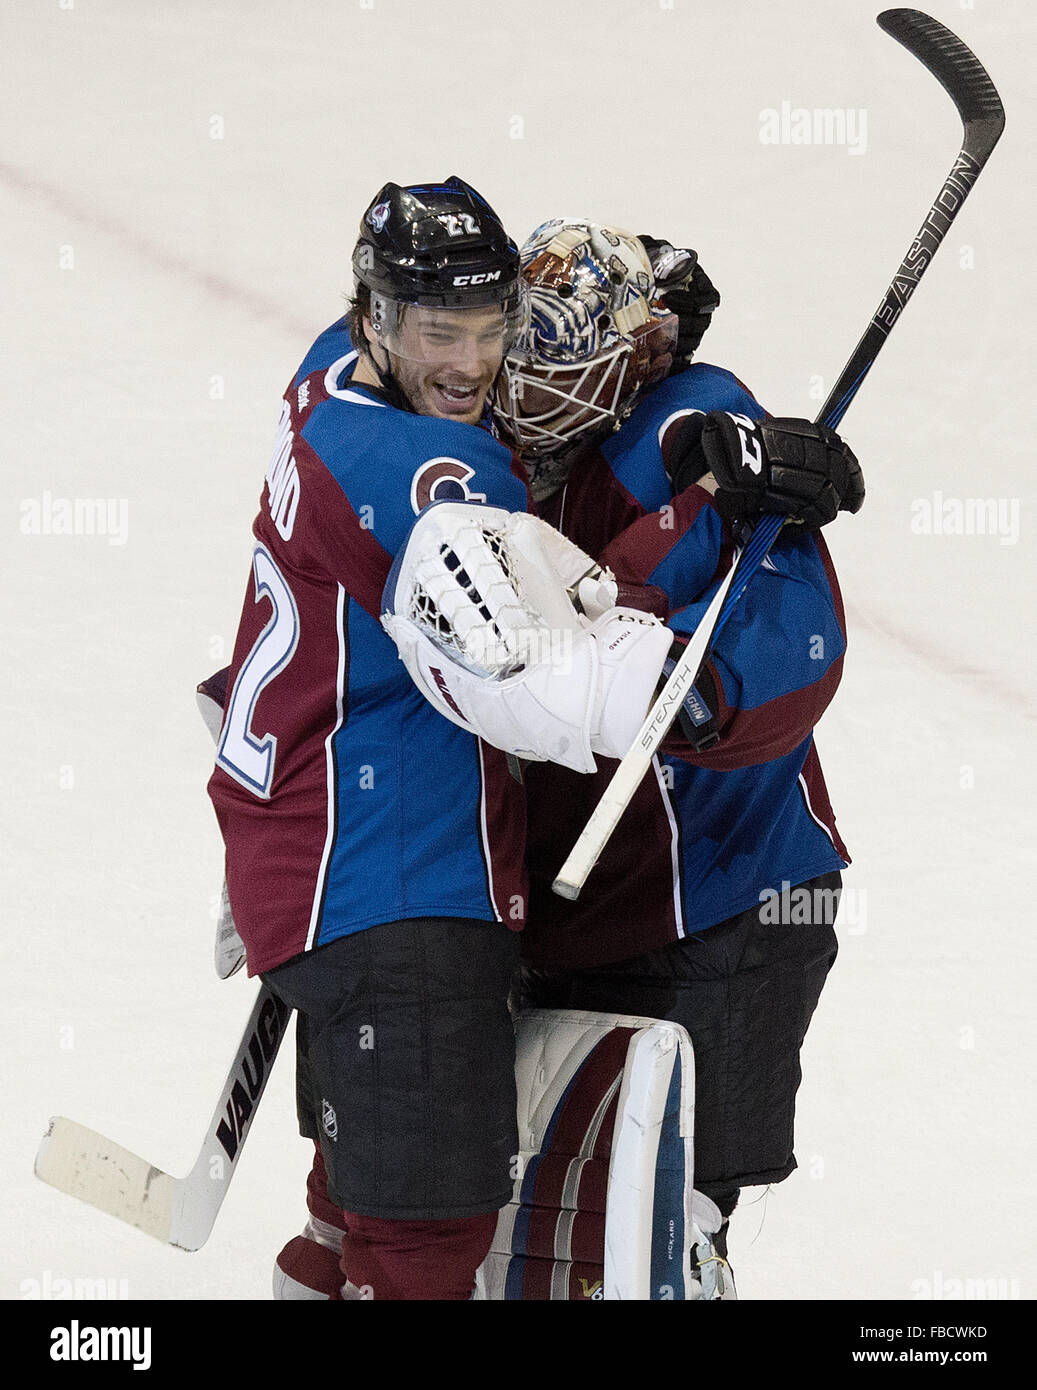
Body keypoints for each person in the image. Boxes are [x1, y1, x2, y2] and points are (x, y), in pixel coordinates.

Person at [206, 181, 671, 1301]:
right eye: (437, 334)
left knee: (358, 1206)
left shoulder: (327, 373)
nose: (470, 364)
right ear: (376, 316)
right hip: (396, 885)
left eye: (489, 328)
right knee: (428, 1243)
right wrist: (706, 671)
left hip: (310, 847)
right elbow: (534, 682)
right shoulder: (418, 479)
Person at [492, 218, 864, 1295]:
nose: (521, 382)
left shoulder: (694, 445)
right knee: (531, 1233)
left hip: (724, 904)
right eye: (518, 347)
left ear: (635, 356)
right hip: (554, 911)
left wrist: (693, 697)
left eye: (557, 358)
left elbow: (798, 639)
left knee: (665, 1236)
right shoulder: (479, 443)